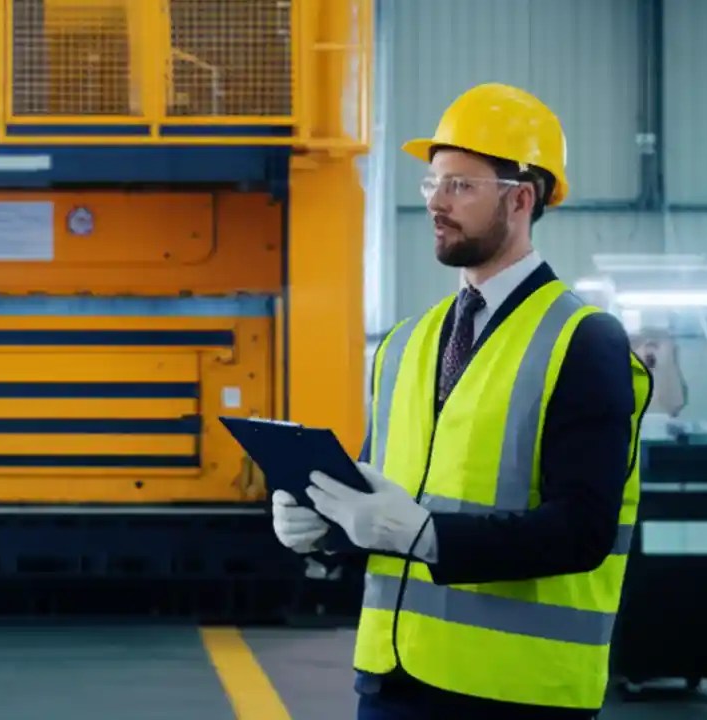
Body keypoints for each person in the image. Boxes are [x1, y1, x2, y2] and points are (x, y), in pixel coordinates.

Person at [271, 82, 652, 719]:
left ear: (520, 199)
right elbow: (387, 501)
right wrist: (325, 529)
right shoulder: (404, 344)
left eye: (460, 185)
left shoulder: (583, 341)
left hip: (516, 695)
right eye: (432, 184)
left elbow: (583, 531)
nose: (435, 202)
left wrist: (427, 536)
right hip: (391, 681)